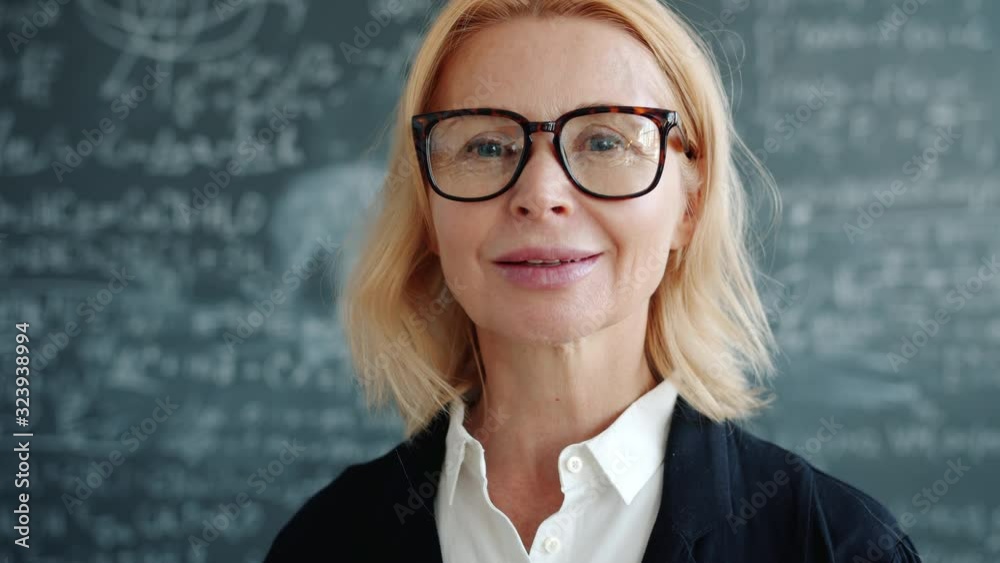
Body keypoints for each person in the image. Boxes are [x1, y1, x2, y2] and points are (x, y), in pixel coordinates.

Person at [263, 0, 921, 561]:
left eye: (605, 141)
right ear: (429, 212)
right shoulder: (326, 541)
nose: (541, 194)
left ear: (687, 207)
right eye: (486, 146)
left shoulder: (837, 546)